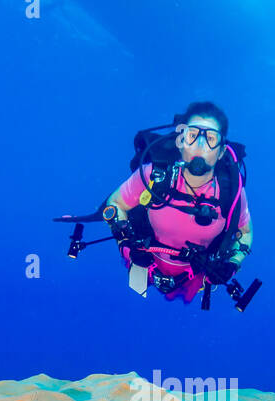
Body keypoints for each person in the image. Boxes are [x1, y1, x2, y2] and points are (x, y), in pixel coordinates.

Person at [103, 101, 253, 303]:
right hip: (143, 265)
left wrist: (231, 264)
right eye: (192, 136)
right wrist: (126, 246)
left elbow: (245, 233)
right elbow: (114, 205)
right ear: (180, 142)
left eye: (210, 138)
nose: (200, 145)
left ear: (221, 152)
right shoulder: (153, 176)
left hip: (195, 278)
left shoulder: (231, 193)